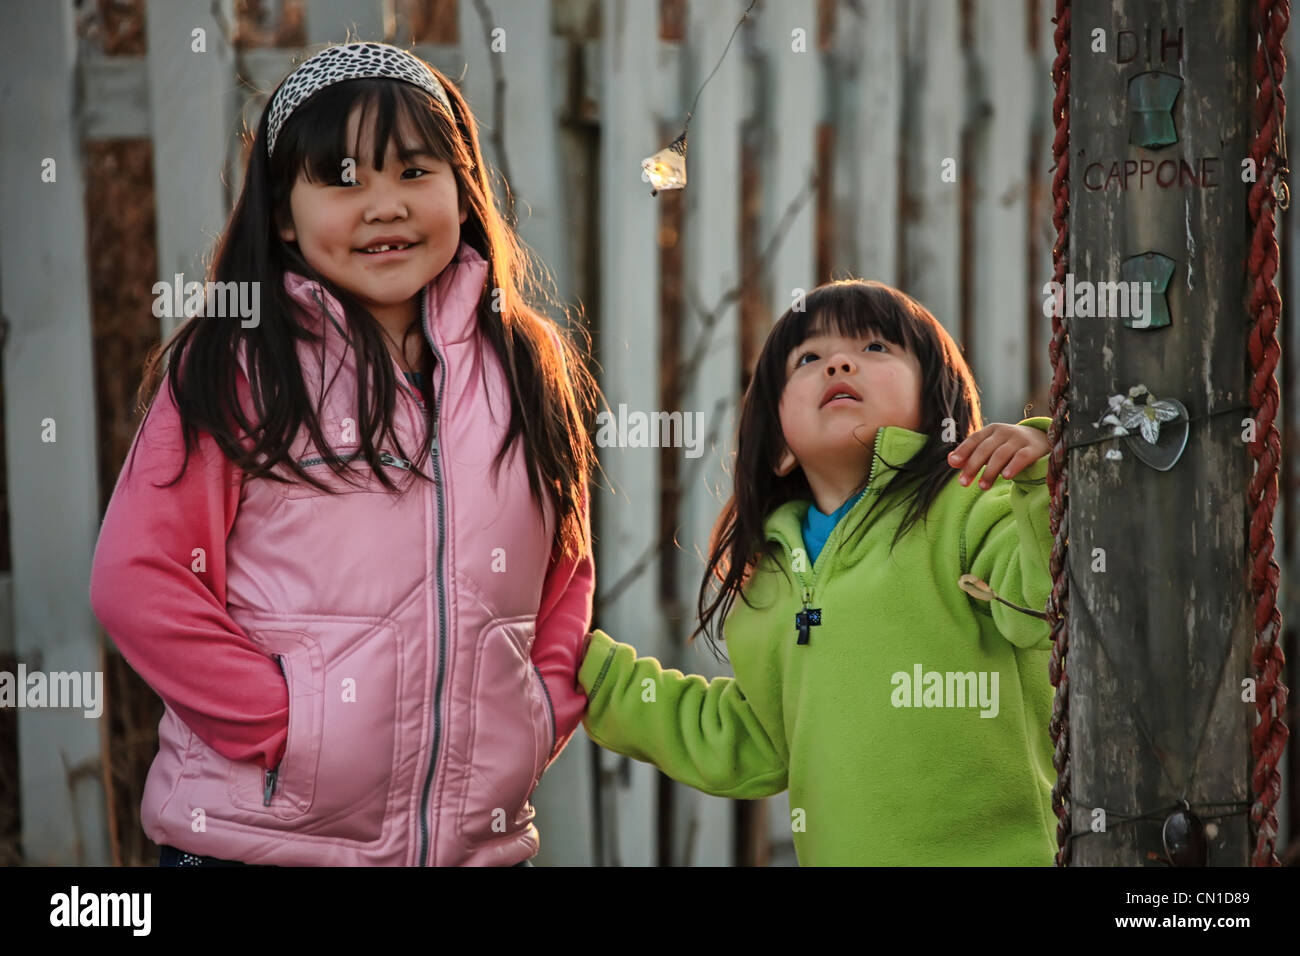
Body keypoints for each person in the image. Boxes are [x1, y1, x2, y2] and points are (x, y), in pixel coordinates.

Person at [89, 42, 597, 867]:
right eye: (344, 178)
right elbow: (138, 579)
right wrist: (294, 727)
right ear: (284, 212)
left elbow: (565, 571)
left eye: (415, 172)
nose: (385, 206)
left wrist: (537, 708)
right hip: (259, 845)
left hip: (475, 849)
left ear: (463, 193)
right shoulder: (239, 363)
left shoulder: (524, 359)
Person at [578, 280, 1058, 865]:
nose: (838, 360)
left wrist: (1043, 472)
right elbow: (751, 736)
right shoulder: (770, 585)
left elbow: (1041, 610)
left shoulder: (971, 509)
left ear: (938, 411)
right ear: (780, 443)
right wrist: (597, 679)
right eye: (807, 358)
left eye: (877, 347)